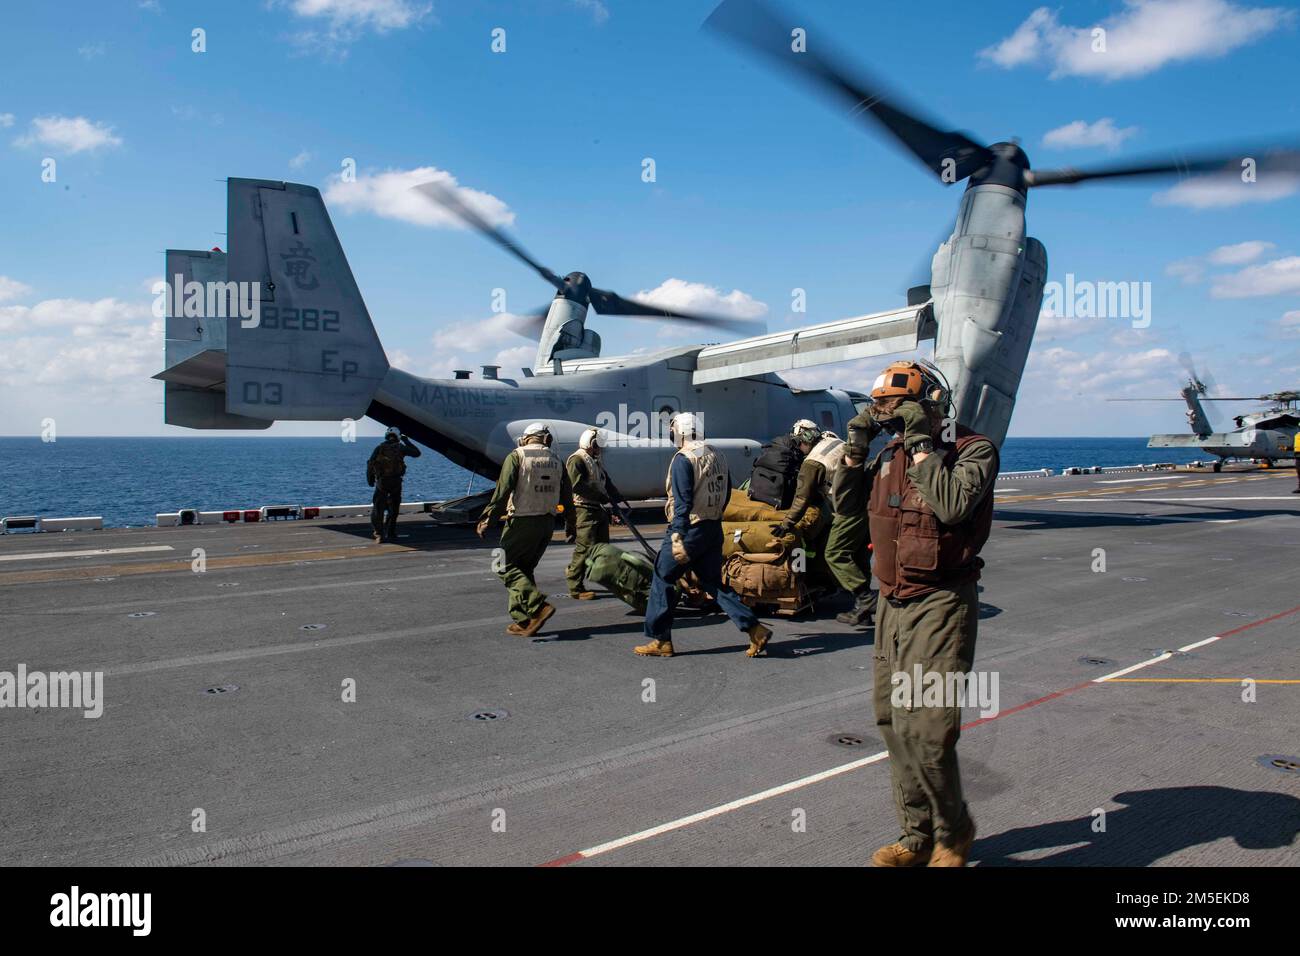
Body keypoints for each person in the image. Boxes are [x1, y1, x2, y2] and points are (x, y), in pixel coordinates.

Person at [858, 360, 998, 868]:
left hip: (940, 604)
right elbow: (849, 514)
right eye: (887, 415)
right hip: (890, 604)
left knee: (930, 731)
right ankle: (915, 838)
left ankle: (953, 830)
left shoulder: (972, 451)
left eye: (902, 412)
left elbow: (953, 506)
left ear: (933, 407)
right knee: (893, 723)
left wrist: (921, 446)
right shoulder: (889, 454)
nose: (893, 423)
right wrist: (854, 454)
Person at [635, 412, 773, 659]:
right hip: (712, 528)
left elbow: (682, 502)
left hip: (689, 528)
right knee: (713, 583)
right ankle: (755, 628)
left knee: (663, 576)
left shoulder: (683, 459)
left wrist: (677, 535)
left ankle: (661, 640)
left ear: (680, 433)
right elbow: (727, 492)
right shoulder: (717, 454)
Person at [477, 423, 576, 637]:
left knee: (501, 564)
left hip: (521, 522)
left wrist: (488, 519)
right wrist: (571, 524)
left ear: (526, 438)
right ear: (546, 439)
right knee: (523, 570)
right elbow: (567, 498)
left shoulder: (517, 456)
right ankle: (523, 620)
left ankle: (537, 606)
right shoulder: (557, 461)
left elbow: (503, 491)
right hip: (547, 524)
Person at [828, 414, 877, 627]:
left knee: (834, 553)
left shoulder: (852, 453)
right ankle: (862, 611)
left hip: (850, 510)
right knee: (859, 556)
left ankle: (866, 598)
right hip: (866, 508)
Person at [565, 428, 614, 600]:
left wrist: (617, 498)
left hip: (597, 509)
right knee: (585, 548)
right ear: (590, 443)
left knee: (602, 548)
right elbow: (576, 485)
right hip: (584, 510)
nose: (600, 448)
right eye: (597, 444)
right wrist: (600, 497)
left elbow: (606, 483)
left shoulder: (595, 462)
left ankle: (574, 570)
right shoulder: (577, 460)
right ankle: (575, 586)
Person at [367, 427, 422, 543]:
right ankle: (390, 532)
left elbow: (370, 463)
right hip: (396, 482)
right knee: (394, 509)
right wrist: (406, 440)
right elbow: (417, 453)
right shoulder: (401, 447)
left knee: (378, 509)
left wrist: (370, 479)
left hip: (382, 482)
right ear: (398, 436)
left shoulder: (379, 448)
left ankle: (379, 534)